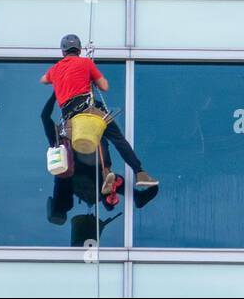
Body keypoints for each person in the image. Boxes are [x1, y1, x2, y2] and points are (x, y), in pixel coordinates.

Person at [39, 34, 158, 194]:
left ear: (63, 52)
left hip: (70, 122)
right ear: (79, 49)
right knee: (116, 138)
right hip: (88, 112)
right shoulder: (85, 63)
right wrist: (91, 78)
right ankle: (139, 172)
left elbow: (43, 80)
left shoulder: (55, 69)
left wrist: (59, 80)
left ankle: (106, 172)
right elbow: (105, 86)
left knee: (97, 136)